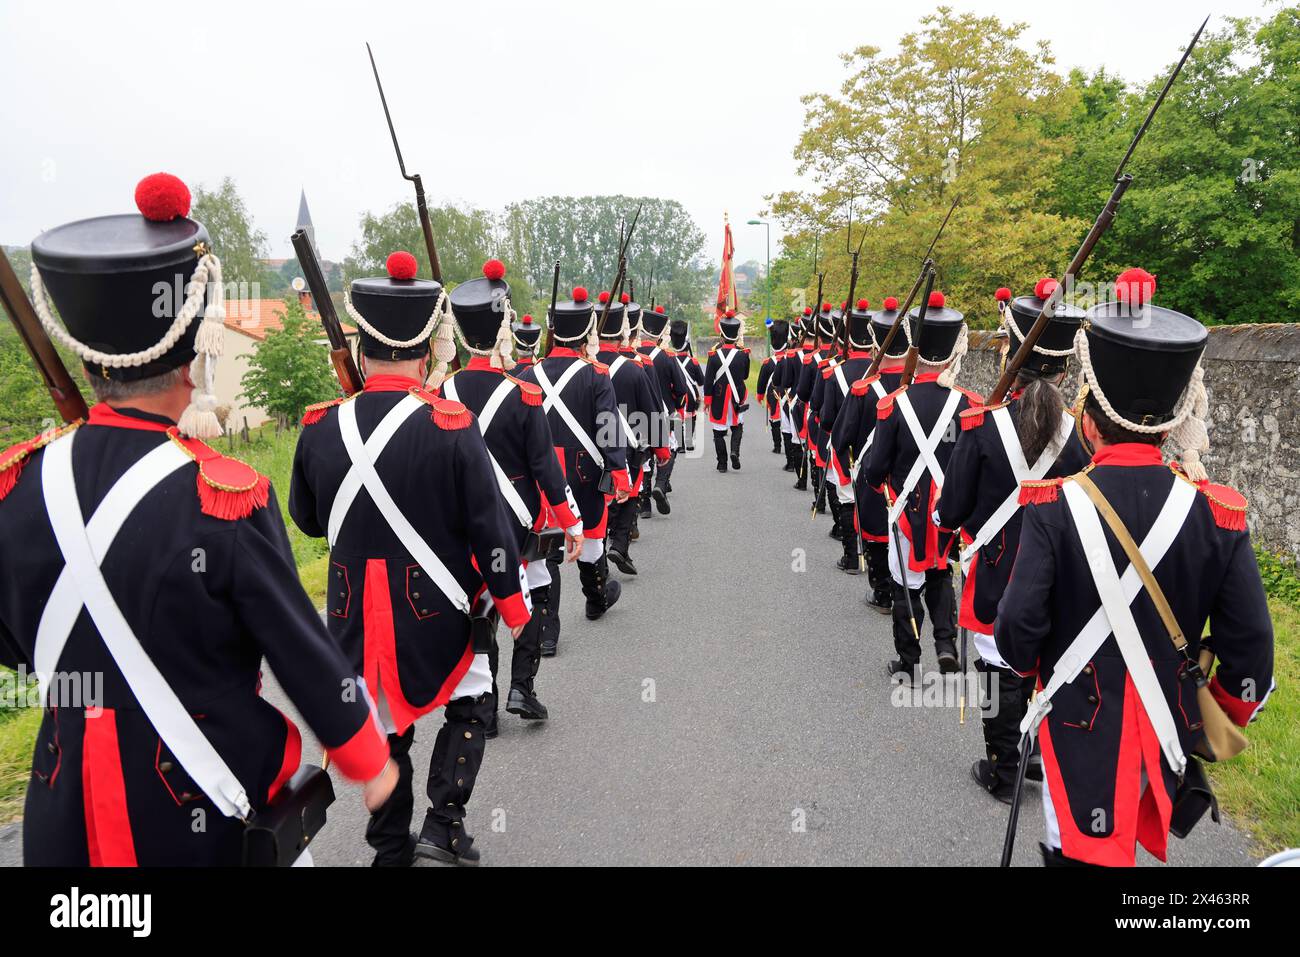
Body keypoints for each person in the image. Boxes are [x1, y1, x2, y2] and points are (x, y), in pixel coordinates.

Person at [0, 173, 394, 866]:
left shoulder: (18, 486)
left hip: (63, 829)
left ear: (89, 359)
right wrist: (366, 753)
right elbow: (299, 651)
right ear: (190, 361)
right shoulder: (224, 494)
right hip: (207, 818)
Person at [995, 268, 1274, 867]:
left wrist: (1031, 669)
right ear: (1173, 421)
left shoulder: (1052, 507)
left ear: (1088, 417)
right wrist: (1217, 709)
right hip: (1171, 724)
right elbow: (1251, 654)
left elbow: (1016, 633)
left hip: (1077, 723)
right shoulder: (1218, 514)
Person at [291, 251, 531, 867]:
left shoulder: (321, 426)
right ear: (430, 344)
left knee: (387, 727)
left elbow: (309, 519)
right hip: (435, 612)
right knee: (473, 700)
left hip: (350, 613)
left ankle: (390, 848)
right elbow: (489, 528)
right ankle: (443, 827)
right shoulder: (451, 424)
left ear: (359, 342)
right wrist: (511, 599)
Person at [937, 280, 1089, 802]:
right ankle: (1035, 759)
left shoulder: (979, 428)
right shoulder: (1085, 441)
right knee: (1042, 668)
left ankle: (1004, 770)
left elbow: (950, 510)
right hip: (1061, 580)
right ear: (1065, 369)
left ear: (1011, 354)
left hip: (997, 574)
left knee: (998, 669)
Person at [437, 259, 585, 734]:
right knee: (524, 595)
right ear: (502, 328)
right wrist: (572, 523)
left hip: (458, 524)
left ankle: (489, 701)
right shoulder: (522, 396)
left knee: (481, 607)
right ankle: (524, 686)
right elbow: (545, 469)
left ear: (459, 332)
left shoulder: (439, 393)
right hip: (514, 522)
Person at [864, 290, 981, 681]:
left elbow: (875, 467)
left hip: (905, 510)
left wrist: (876, 480)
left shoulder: (894, 403)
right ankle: (945, 646)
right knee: (940, 575)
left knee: (906, 586)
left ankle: (908, 662)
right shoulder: (970, 404)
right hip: (949, 509)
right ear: (952, 349)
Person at [516, 286, 632, 621]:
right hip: (585, 472)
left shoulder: (527, 375)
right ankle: (596, 599)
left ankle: (548, 632)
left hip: (540, 474)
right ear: (586, 332)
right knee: (593, 541)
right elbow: (609, 429)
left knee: (546, 550)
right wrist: (620, 474)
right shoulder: (596, 375)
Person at [829, 297, 908, 612]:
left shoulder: (862, 390)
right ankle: (909, 594)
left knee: (877, 534)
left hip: (875, 479)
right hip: (911, 484)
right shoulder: (916, 387)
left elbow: (840, 437)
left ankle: (883, 592)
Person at [594, 293, 670, 576]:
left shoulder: (583, 367)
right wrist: (661, 450)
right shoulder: (634, 369)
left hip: (591, 449)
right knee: (630, 492)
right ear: (622, 332)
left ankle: (599, 549)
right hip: (627, 446)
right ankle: (619, 545)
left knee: (599, 499)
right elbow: (651, 413)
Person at [820, 299, 877, 574]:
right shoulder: (879, 374)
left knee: (846, 497)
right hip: (875, 449)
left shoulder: (835, 374)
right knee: (870, 498)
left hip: (846, 448)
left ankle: (851, 558)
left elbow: (827, 419)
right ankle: (870, 552)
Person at [637, 303, 696, 515]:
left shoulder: (630, 354)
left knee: (642, 456)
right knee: (668, 449)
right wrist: (677, 404)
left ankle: (644, 505)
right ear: (661, 335)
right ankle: (661, 484)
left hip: (635, 414)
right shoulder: (667, 357)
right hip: (663, 412)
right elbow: (681, 389)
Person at [703, 310, 751, 472]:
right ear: (736, 336)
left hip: (719, 397)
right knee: (737, 426)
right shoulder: (743, 355)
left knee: (718, 432)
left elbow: (708, 380)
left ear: (722, 336)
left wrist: (707, 401)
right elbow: (745, 375)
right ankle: (734, 451)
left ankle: (722, 463)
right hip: (737, 396)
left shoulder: (714, 355)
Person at [756, 319, 792, 455]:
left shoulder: (767, 362)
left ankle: (777, 446)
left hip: (772, 394)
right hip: (788, 393)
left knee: (774, 419)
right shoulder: (791, 359)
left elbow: (762, 381)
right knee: (788, 420)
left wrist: (760, 395)